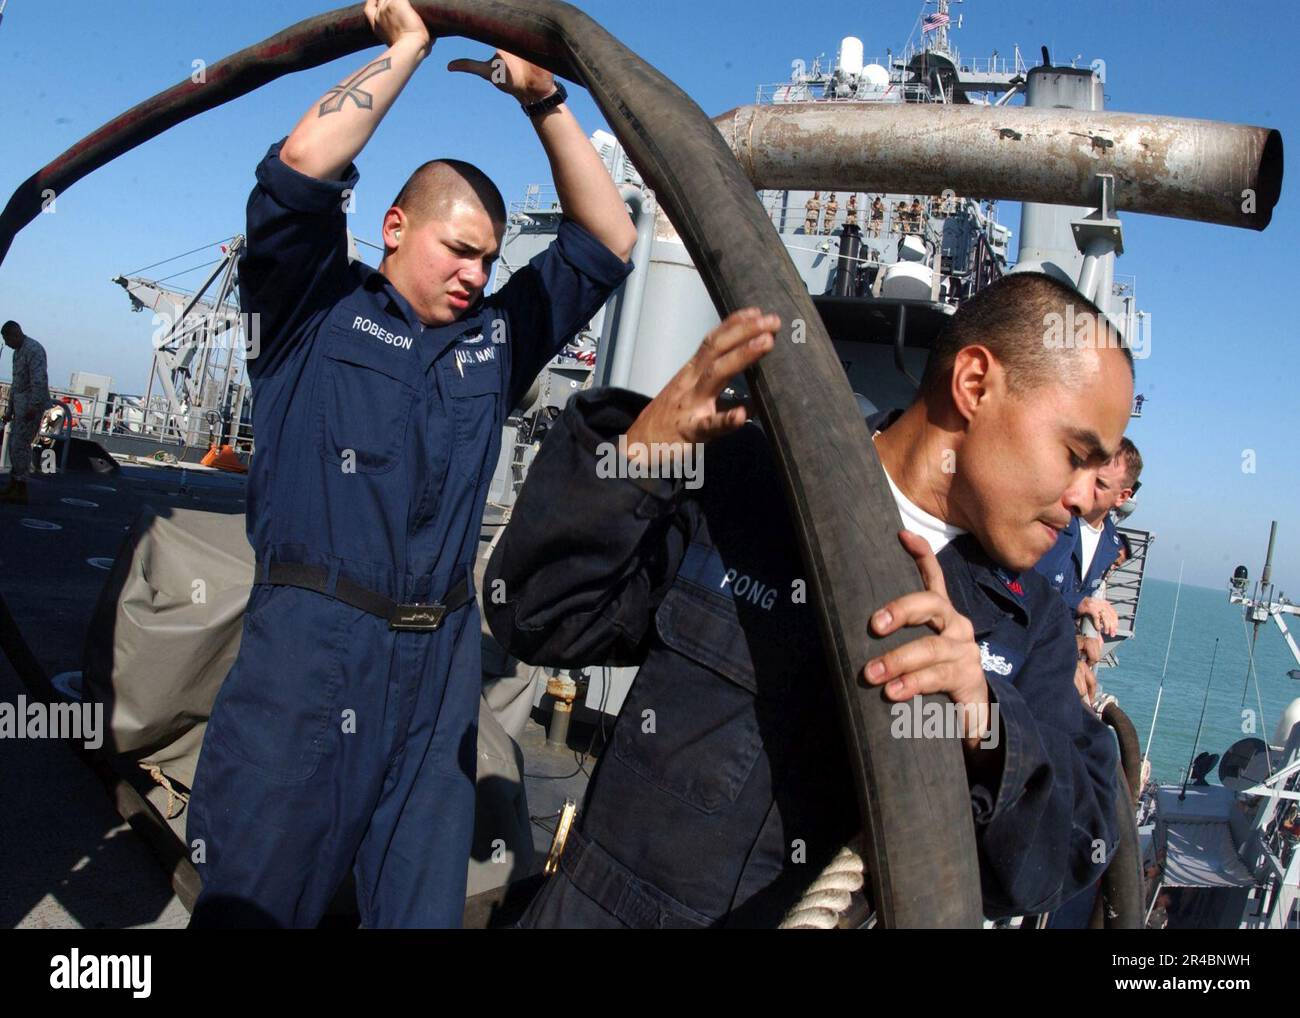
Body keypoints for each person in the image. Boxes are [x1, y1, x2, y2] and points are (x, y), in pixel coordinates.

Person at [485, 271, 1133, 927]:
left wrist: (985, 724)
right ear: (974, 385)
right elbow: (537, 617)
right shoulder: (750, 482)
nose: (1085, 499)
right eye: (1076, 454)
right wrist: (635, 458)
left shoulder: (1033, 629)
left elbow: (1067, 856)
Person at [186, 0, 636, 929]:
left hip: (438, 674)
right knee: (254, 906)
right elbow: (299, 173)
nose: (477, 274)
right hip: (309, 658)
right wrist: (406, 46)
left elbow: (608, 244)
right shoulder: (310, 309)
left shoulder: (494, 344)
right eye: (460, 249)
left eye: (490, 259)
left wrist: (546, 102)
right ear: (394, 226)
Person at [1034, 437, 1142, 638]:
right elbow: (1014, 585)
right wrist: (1079, 603)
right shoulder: (1047, 518)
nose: (1085, 486)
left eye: (1099, 483)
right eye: (1084, 473)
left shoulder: (1110, 547)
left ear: (1122, 497)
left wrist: (1082, 639)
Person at [1, 320, 52, 503]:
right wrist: (10, 410)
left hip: (30, 408)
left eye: (7, 340)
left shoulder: (33, 350)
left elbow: (38, 380)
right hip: (21, 408)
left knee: (20, 446)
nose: (6, 344)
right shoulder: (18, 353)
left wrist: (33, 406)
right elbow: (16, 385)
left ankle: (20, 487)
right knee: (14, 446)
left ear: (15, 334)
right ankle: (14, 484)